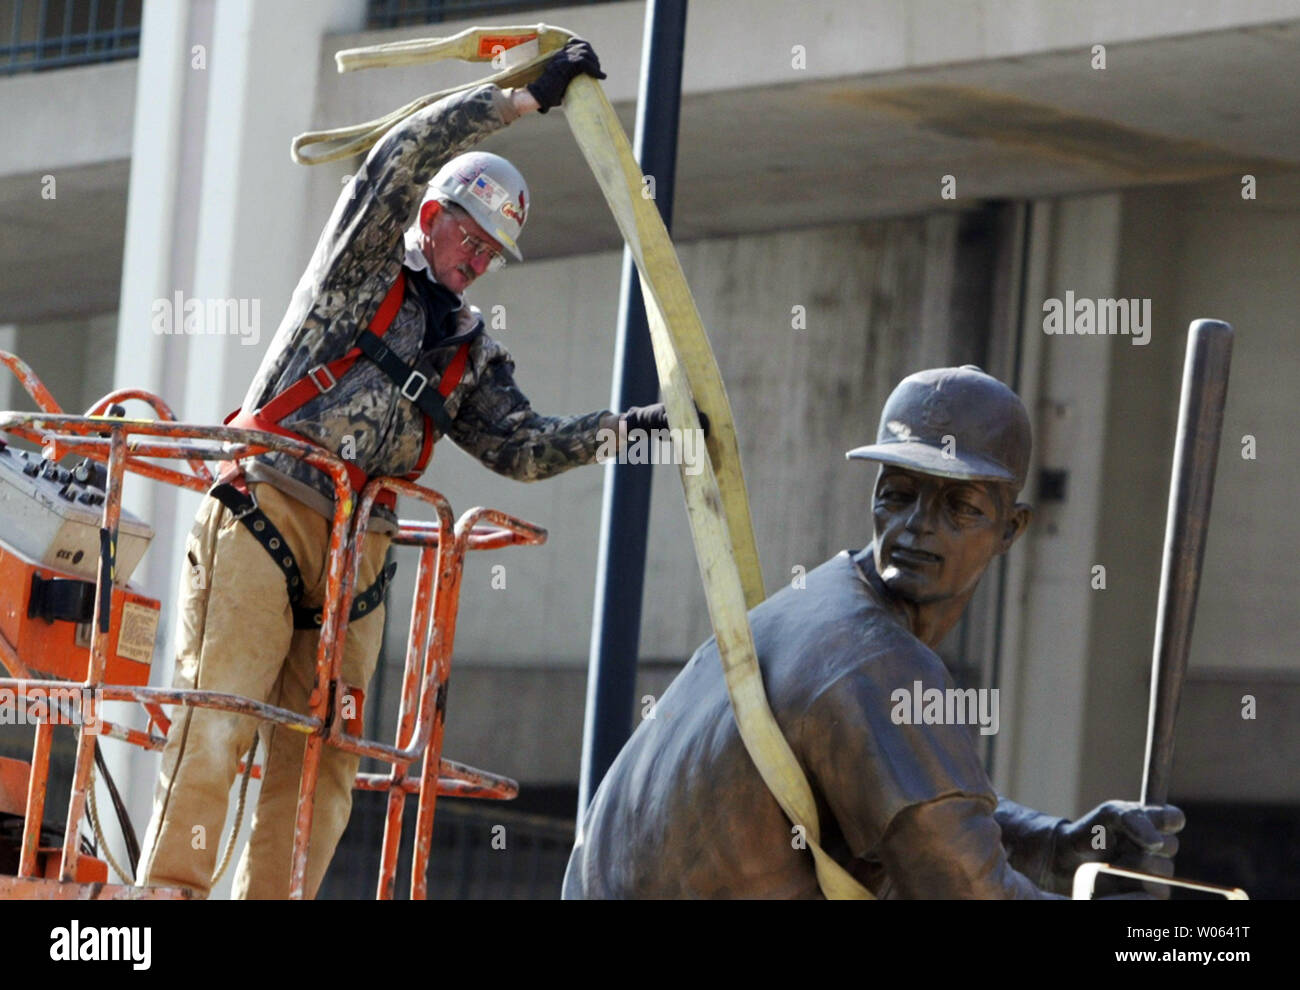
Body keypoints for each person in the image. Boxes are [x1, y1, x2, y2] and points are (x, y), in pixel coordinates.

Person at [137, 38, 666, 899]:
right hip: (266, 506)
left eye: (493, 252)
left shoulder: (467, 351)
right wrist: (518, 100)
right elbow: (397, 160)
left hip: (361, 556)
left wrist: (629, 433)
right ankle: (170, 895)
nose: (480, 258)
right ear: (432, 220)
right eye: (473, 237)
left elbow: (519, 445)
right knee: (222, 713)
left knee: (326, 755)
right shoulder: (359, 267)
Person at [563, 365, 1185, 899]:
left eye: (959, 508)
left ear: (1010, 529)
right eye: (900, 495)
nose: (918, 527)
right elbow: (966, 889)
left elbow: (925, 805)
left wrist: (1055, 846)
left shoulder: (822, 606)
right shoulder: (867, 662)